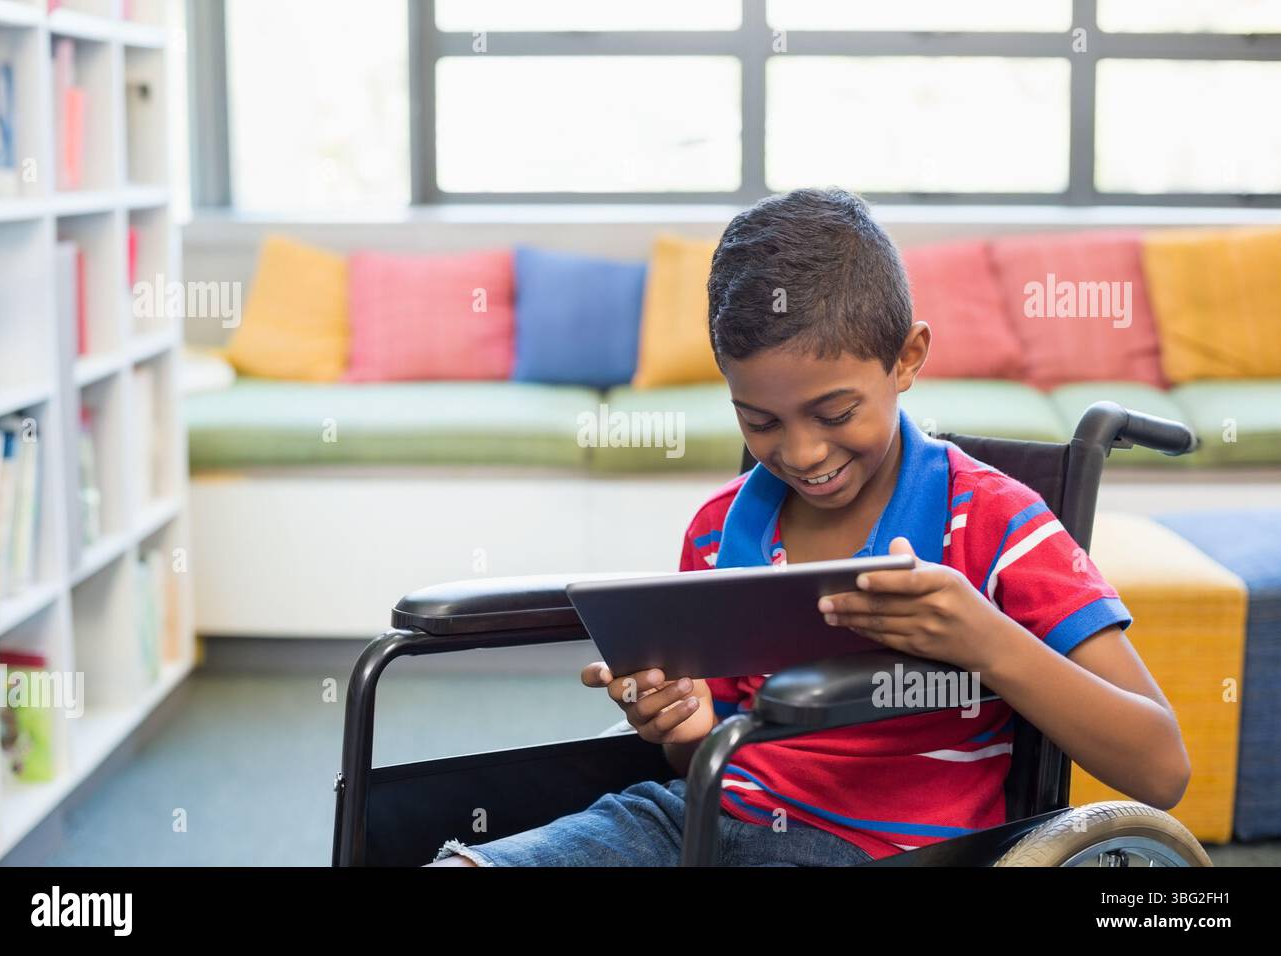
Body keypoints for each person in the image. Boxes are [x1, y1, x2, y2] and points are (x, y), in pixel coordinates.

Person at [428, 187, 1190, 867]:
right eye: (758, 420)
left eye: (833, 414)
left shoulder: (995, 522)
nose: (801, 452)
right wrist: (684, 728)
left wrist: (983, 638)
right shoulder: (716, 532)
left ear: (907, 358)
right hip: (703, 821)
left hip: (889, 849)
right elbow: (707, 756)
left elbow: (1161, 769)